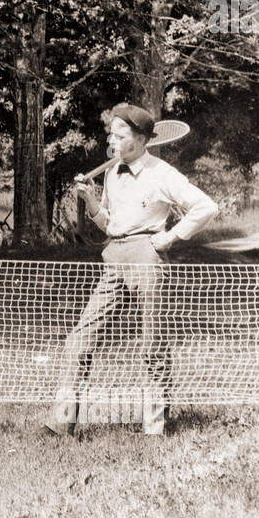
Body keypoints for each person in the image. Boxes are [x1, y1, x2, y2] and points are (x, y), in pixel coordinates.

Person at [47, 104, 218, 438]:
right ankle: (60, 427)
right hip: (114, 256)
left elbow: (206, 207)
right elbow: (109, 223)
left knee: (153, 343)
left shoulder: (163, 174)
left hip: (147, 256)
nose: (111, 138)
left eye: (119, 134)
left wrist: (169, 237)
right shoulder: (112, 172)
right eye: (111, 132)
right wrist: (89, 200)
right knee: (79, 339)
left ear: (140, 139)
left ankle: (154, 429)